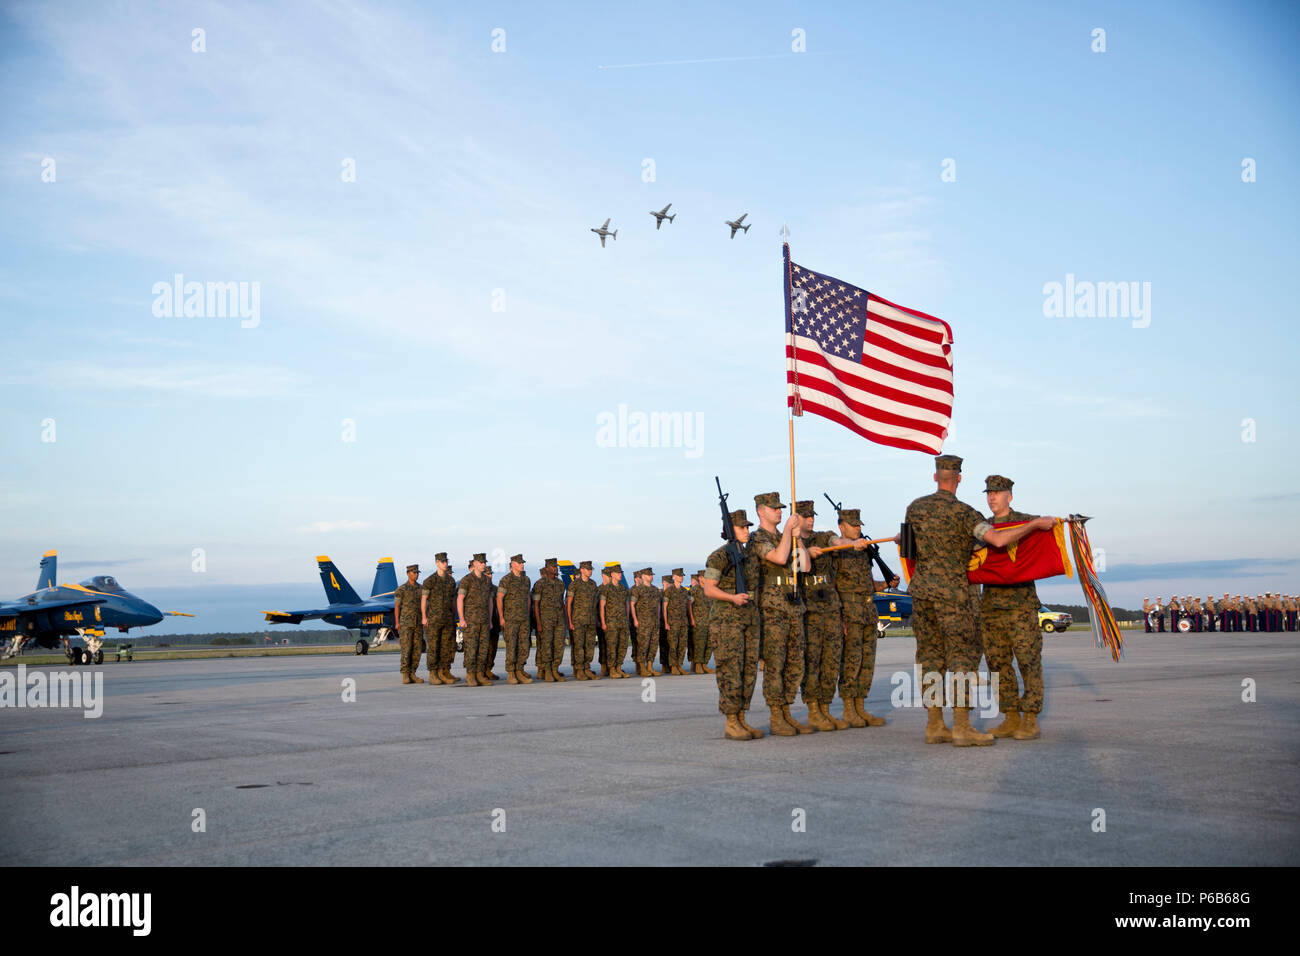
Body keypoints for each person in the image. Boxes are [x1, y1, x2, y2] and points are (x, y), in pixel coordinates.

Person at [904, 455, 1057, 747]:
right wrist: (1036, 524)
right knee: (961, 658)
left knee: (930, 659)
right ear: (958, 479)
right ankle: (962, 727)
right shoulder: (966, 514)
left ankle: (935, 725)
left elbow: (909, 551)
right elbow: (998, 542)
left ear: (935, 477)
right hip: (954, 597)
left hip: (922, 595)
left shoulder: (914, 508)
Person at [979, 475, 1045, 741]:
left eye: (997, 492)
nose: (992, 497)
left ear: (1010, 496)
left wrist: (1058, 524)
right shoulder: (981, 527)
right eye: (988, 493)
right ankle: (1010, 716)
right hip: (992, 606)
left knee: (1028, 660)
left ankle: (1030, 717)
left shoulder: (1030, 522)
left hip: (1021, 605)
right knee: (997, 663)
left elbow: (1047, 538)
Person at [750, 491, 811, 736]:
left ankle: (787, 711)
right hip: (773, 609)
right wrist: (787, 532)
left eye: (780, 507)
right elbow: (778, 557)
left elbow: (804, 566)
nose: (779, 511)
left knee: (795, 663)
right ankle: (776, 715)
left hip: (794, 606)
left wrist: (799, 539)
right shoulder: (758, 538)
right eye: (774, 508)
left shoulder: (787, 536)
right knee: (776, 664)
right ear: (760, 511)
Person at [831, 506, 897, 727]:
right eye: (854, 525)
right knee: (851, 662)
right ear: (842, 527)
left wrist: (887, 583)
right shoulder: (837, 553)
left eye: (859, 524)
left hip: (869, 612)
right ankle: (849, 709)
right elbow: (834, 587)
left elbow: (868, 585)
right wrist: (840, 619)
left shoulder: (863, 551)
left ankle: (860, 706)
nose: (858, 528)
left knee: (867, 662)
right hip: (850, 613)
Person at [702, 509, 763, 740]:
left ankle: (741, 719)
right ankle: (730, 721)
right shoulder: (719, 556)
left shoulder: (749, 556)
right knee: (730, 670)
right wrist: (732, 598)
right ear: (730, 530)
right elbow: (709, 589)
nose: (747, 531)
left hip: (748, 619)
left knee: (748, 671)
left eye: (748, 527)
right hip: (727, 621)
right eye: (741, 527)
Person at [795, 500, 848, 731]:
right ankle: (813, 710)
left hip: (831, 608)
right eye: (805, 516)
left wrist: (849, 543)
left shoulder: (823, 536)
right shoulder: (792, 543)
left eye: (812, 515)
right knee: (812, 662)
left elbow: (836, 541)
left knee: (831, 661)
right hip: (810, 611)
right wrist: (805, 551)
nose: (810, 519)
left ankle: (825, 708)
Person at [421, 553, 458, 685]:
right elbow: (424, 600)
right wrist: (424, 617)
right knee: (433, 647)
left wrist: (454, 616)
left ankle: (443, 672)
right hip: (434, 619)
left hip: (447, 619)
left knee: (445, 647)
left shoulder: (451, 581)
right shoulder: (429, 581)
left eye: (446, 561)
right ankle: (433, 673)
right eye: (442, 562)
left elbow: (453, 601)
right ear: (437, 563)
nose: (444, 564)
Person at [456, 553, 492, 687]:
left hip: (484, 619)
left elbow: (489, 600)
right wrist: (462, 619)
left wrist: (490, 619)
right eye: (481, 563)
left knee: (483, 649)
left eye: (484, 563)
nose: (483, 565)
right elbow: (460, 599)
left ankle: (479, 674)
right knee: (471, 648)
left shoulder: (487, 580)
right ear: (475, 564)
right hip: (471, 620)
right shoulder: (467, 580)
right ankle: (470, 675)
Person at [497, 553, 533, 684]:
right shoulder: (505, 580)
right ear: (512, 564)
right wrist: (501, 617)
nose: (522, 564)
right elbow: (499, 599)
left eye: (523, 562)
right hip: (510, 619)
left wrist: (528, 614)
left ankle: (519, 670)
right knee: (512, 646)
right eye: (519, 563)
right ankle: (511, 673)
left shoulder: (526, 580)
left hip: (524, 619)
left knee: (524, 646)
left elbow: (528, 598)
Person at [533, 558, 567, 681]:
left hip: (559, 620)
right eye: (553, 567)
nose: (556, 569)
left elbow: (562, 603)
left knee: (559, 646)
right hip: (545, 620)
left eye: (556, 567)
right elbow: (536, 605)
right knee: (547, 646)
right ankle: (547, 671)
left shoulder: (560, 584)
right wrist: (538, 623)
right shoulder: (540, 584)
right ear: (547, 568)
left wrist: (565, 620)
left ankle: (554, 669)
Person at [567, 560, 600, 679]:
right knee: (579, 646)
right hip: (578, 620)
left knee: (589, 646)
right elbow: (569, 604)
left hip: (590, 620)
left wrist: (596, 618)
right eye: (587, 569)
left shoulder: (593, 584)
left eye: (591, 569)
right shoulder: (574, 585)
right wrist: (570, 621)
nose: (590, 571)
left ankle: (586, 668)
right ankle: (579, 669)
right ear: (581, 570)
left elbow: (595, 602)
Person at [394, 563, 425, 684]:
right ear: (408, 574)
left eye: (417, 573)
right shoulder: (401, 590)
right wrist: (397, 622)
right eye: (414, 572)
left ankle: (413, 673)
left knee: (417, 649)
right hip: (406, 623)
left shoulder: (421, 589)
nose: (416, 575)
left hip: (418, 623)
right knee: (406, 649)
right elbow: (397, 607)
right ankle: (405, 674)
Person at [599, 564, 630, 678]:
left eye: (621, 573)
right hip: (611, 622)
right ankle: (611, 669)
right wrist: (603, 622)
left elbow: (626, 605)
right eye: (618, 573)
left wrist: (626, 619)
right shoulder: (606, 589)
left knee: (622, 646)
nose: (620, 575)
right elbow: (602, 607)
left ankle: (618, 667)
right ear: (612, 574)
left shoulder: (623, 589)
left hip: (623, 622)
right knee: (612, 646)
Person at [629, 569, 661, 676]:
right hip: (643, 622)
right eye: (648, 575)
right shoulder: (638, 590)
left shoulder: (655, 590)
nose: (651, 577)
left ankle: (650, 667)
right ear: (642, 576)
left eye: (651, 575)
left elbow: (658, 606)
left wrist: (658, 618)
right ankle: (642, 668)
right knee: (643, 645)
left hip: (654, 622)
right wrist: (635, 619)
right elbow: (632, 605)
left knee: (653, 645)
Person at [664, 568, 691, 675]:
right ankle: (673, 666)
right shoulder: (669, 591)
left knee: (683, 645)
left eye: (682, 576)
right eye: (679, 576)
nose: (681, 577)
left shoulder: (684, 591)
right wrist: (666, 622)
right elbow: (664, 608)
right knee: (673, 645)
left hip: (683, 622)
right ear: (674, 577)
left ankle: (679, 665)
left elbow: (687, 607)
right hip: (672, 622)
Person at [689, 571, 714, 674]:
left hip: (710, 621)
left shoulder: (710, 590)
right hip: (699, 621)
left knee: (709, 644)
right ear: (700, 578)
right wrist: (692, 619)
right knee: (700, 644)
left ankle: (704, 664)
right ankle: (698, 665)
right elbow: (689, 605)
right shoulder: (694, 590)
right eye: (705, 577)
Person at [483, 566, 501, 681]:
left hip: (494, 620)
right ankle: (480, 671)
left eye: (491, 574)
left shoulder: (495, 589)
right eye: (487, 574)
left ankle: (488, 669)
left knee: (492, 647)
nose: (490, 576)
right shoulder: (479, 588)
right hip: (481, 620)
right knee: (482, 648)